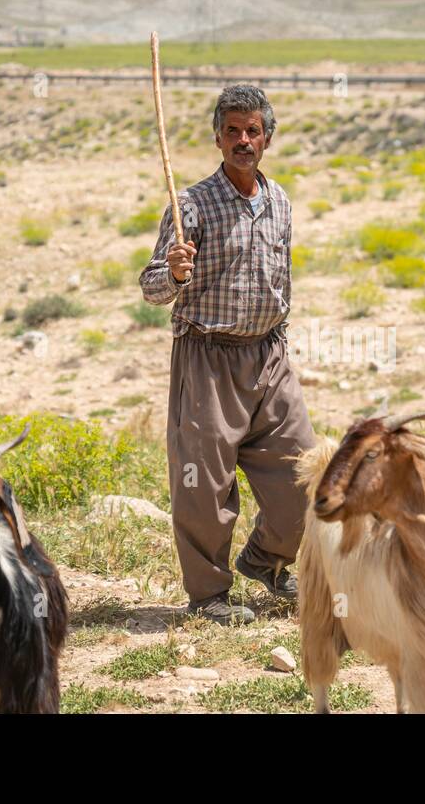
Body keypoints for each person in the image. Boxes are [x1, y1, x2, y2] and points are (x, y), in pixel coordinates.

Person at [138, 83, 315, 625]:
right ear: (218, 137)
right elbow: (150, 286)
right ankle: (209, 595)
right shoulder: (189, 204)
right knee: (203, 486)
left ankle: (265, 559)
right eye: (233, 130)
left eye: (252, 131)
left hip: (269, 358)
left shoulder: (280, 200)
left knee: (306, 476)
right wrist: (172, 273)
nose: (243, 140)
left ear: (267, 138)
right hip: (207, 358)